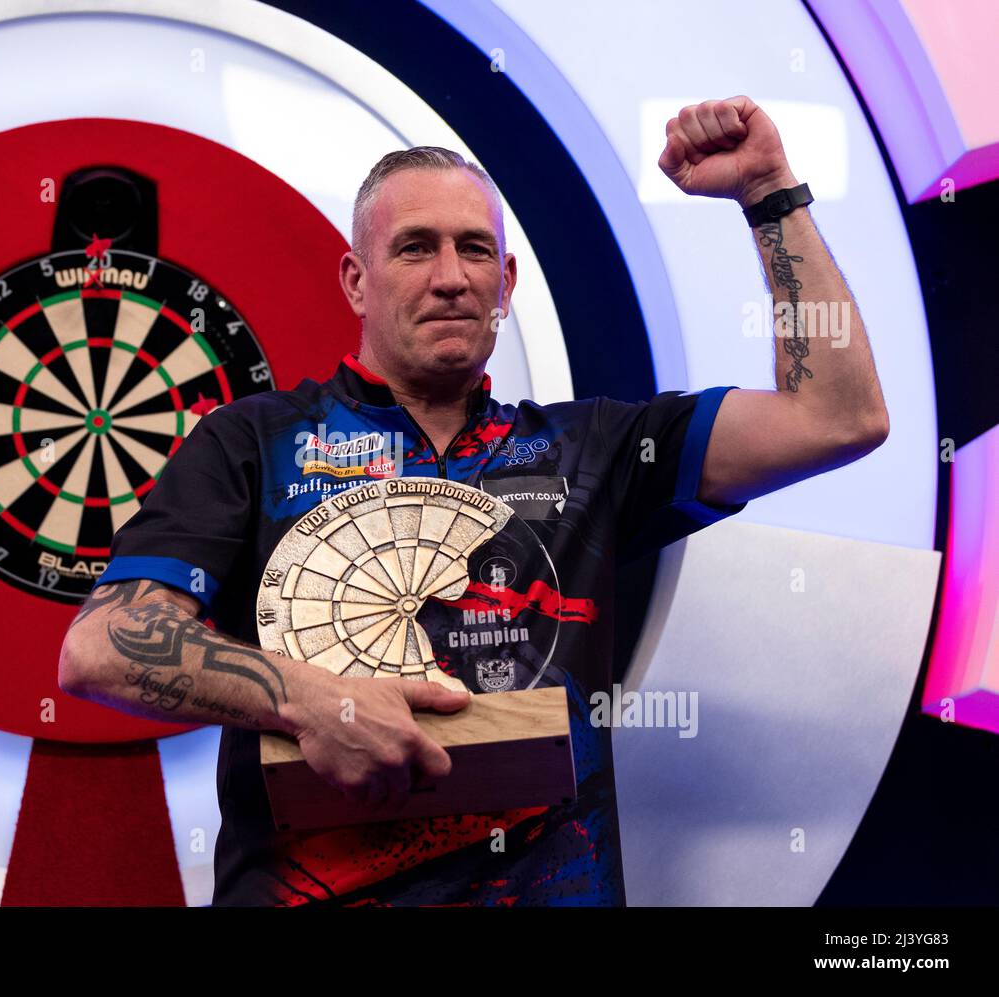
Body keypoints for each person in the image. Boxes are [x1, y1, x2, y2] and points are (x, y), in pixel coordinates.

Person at [58, 96, 889, 906]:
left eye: (476, 250)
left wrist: (769, 192)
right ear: (357, 280)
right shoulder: (252, 442)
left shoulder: (594, 448)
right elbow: (102, 648)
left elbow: (838, 417)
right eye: (416, 248)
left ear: (507, 282)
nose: (452, 277)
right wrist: (311, 701)